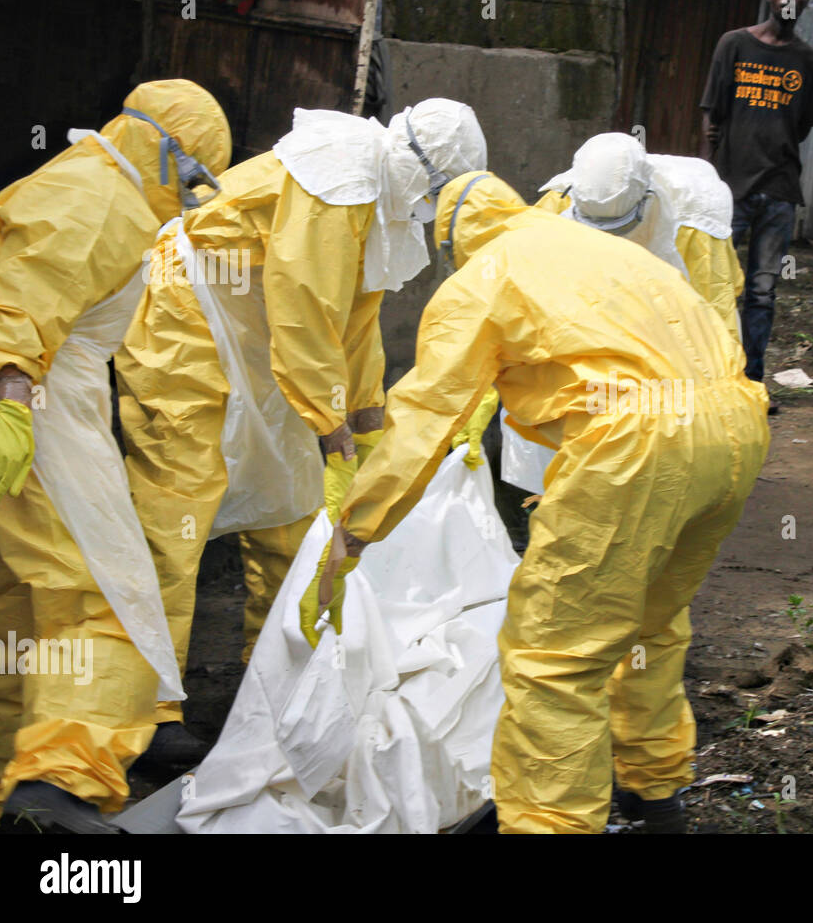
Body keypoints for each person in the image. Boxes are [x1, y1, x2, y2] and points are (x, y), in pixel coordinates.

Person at [300, 172, 770, 833]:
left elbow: (427, 416)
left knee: (555, 656)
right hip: (736, 427)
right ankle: (657, 791)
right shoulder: (607, 250)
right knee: (651, 623)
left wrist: (355, 533)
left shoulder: (483, 277)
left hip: (636, 447)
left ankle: (551, 822)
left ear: (455, 239)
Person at [115, 100, 487, 767]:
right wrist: (331, 422)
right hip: (191, 323)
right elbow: (305, 301)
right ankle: (147, 717)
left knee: (294, 517)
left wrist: (366, 412)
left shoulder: (376, 199)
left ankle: (274, 682)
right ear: (419, 175)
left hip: (265, 343)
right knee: (177, 513)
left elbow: (356, 310)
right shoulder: (338, 174)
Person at [0, 81, 231, 833]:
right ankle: (56, 790)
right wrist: (10, 399)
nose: (195, 193)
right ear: (164, 147)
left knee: (21, 610)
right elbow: (22, 294)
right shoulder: (98, 197)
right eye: (194, 173)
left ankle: (9, 779)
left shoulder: (97, 184)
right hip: (41, 411)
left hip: (44, 402)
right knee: (106, 602)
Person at [700, 0, 813, 410]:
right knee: (717, 285)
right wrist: (708, 179)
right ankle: (712, 377)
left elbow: (803, 129)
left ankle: (751, 382)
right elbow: (712, 116)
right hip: (729, 190)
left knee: (761, 293)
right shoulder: (734, 44)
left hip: (779, 192)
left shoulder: (809, 61)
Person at [536, 132, 743, 338]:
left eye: (618, 228)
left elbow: (714, 312)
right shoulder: (557, 203)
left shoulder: (696, 219)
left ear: (648, 198)